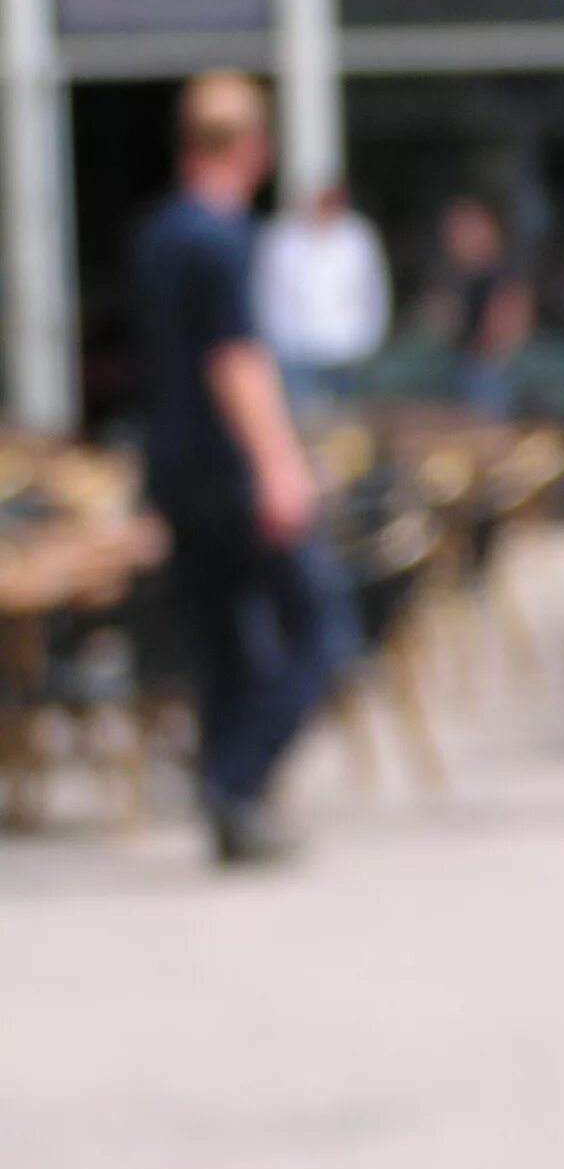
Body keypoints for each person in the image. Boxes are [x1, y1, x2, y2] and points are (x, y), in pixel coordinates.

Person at [132, 72, 360, 864]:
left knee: (220, 645)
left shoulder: (160, 234)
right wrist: (281, 466)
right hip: (231, 471)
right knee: (325, 631)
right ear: (255, 147)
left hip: (174, 468)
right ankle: (235, 779)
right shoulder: (223, 238)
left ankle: (233, 809)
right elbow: (236, 362)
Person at [250, 182, 391, 416]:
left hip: (349, 348)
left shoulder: (358, 236)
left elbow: (374, 291)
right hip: (296, 350)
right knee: (304, 417)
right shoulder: (281, 237)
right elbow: (266, 294)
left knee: (350, 419)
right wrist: (274, 341)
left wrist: (372, 337)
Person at [432, 196, 533, 419]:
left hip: (496, 369)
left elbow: (510, 326)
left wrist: (489, 358)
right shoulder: (464, 276)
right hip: (461, 364)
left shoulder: (507, 268)